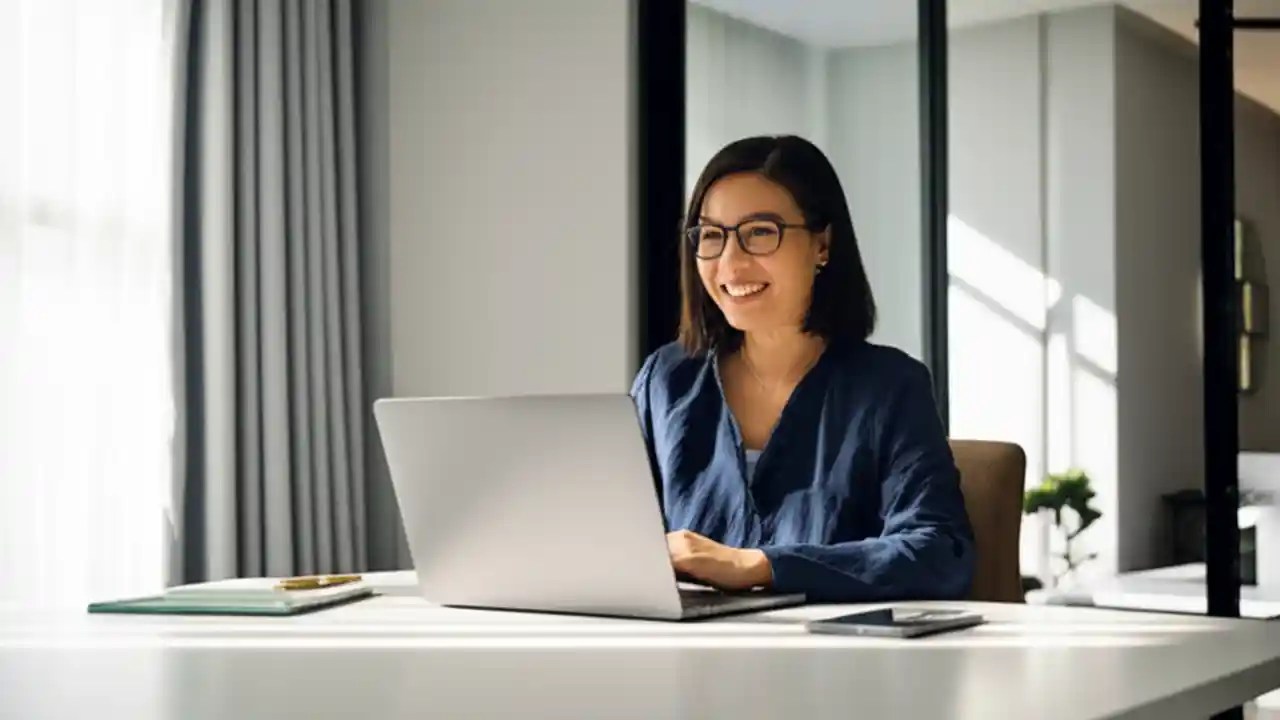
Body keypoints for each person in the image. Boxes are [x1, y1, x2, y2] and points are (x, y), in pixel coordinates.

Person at [631, 135, 974, 602]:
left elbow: (937, 551)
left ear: (822, 244)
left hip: (832, 664)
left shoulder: (890, 388)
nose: (731, 262)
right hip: (681, 656)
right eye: (712, 235)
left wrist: (760, 566)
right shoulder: (665, 381)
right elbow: (615, 540)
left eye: (760, 232)